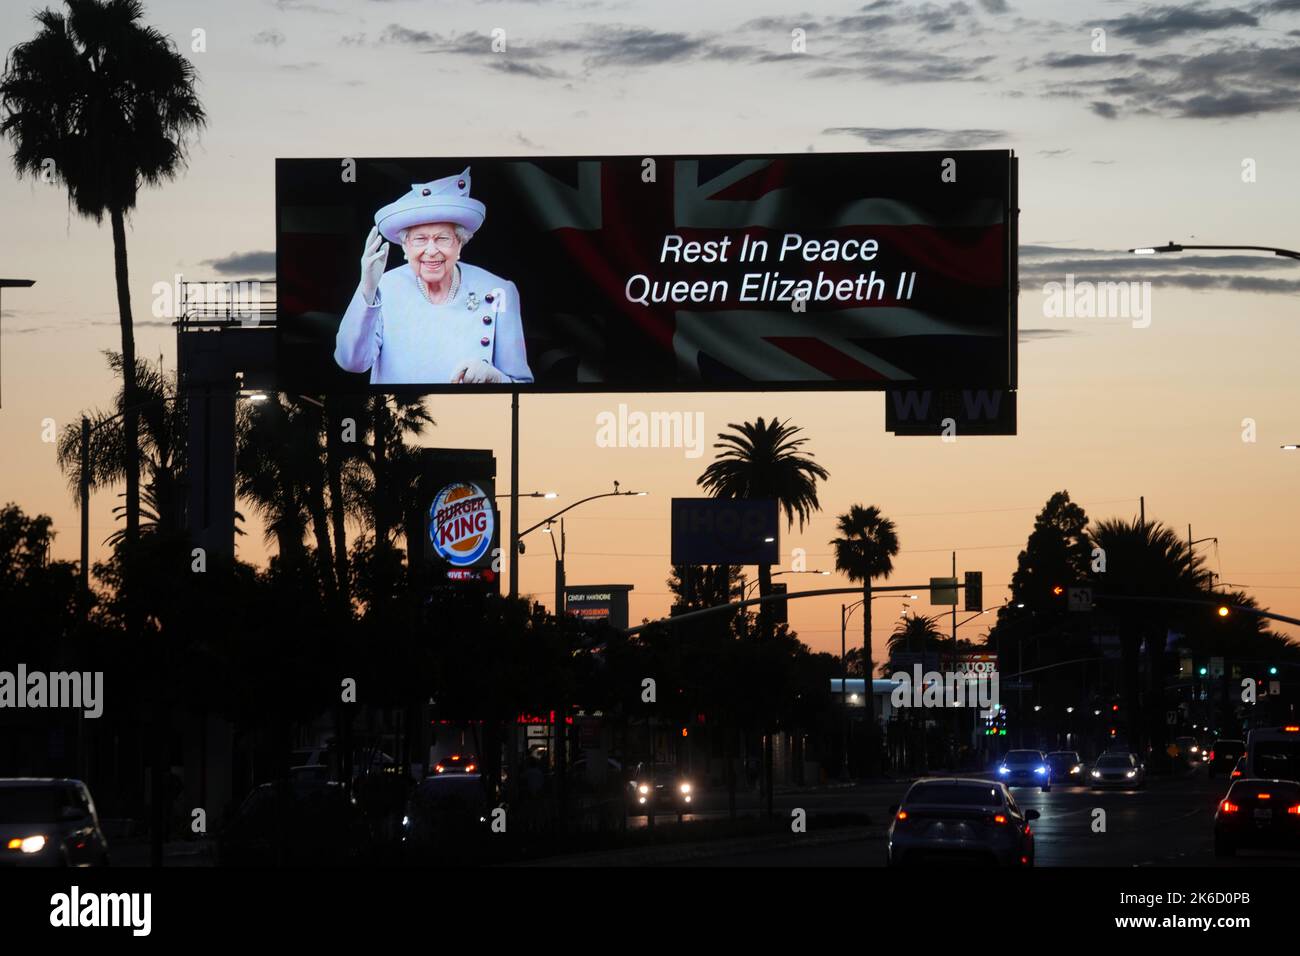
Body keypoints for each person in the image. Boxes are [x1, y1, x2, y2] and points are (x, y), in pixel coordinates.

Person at [334, 167, 533, 385]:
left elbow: (521, 385)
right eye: (420, 239)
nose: (431, 250)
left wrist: (496, 379)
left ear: (460, 243)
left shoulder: (498, 291)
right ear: (405, 247)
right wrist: (367, 289)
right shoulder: (384, 287)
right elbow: (351, 362)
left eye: (442, 238)